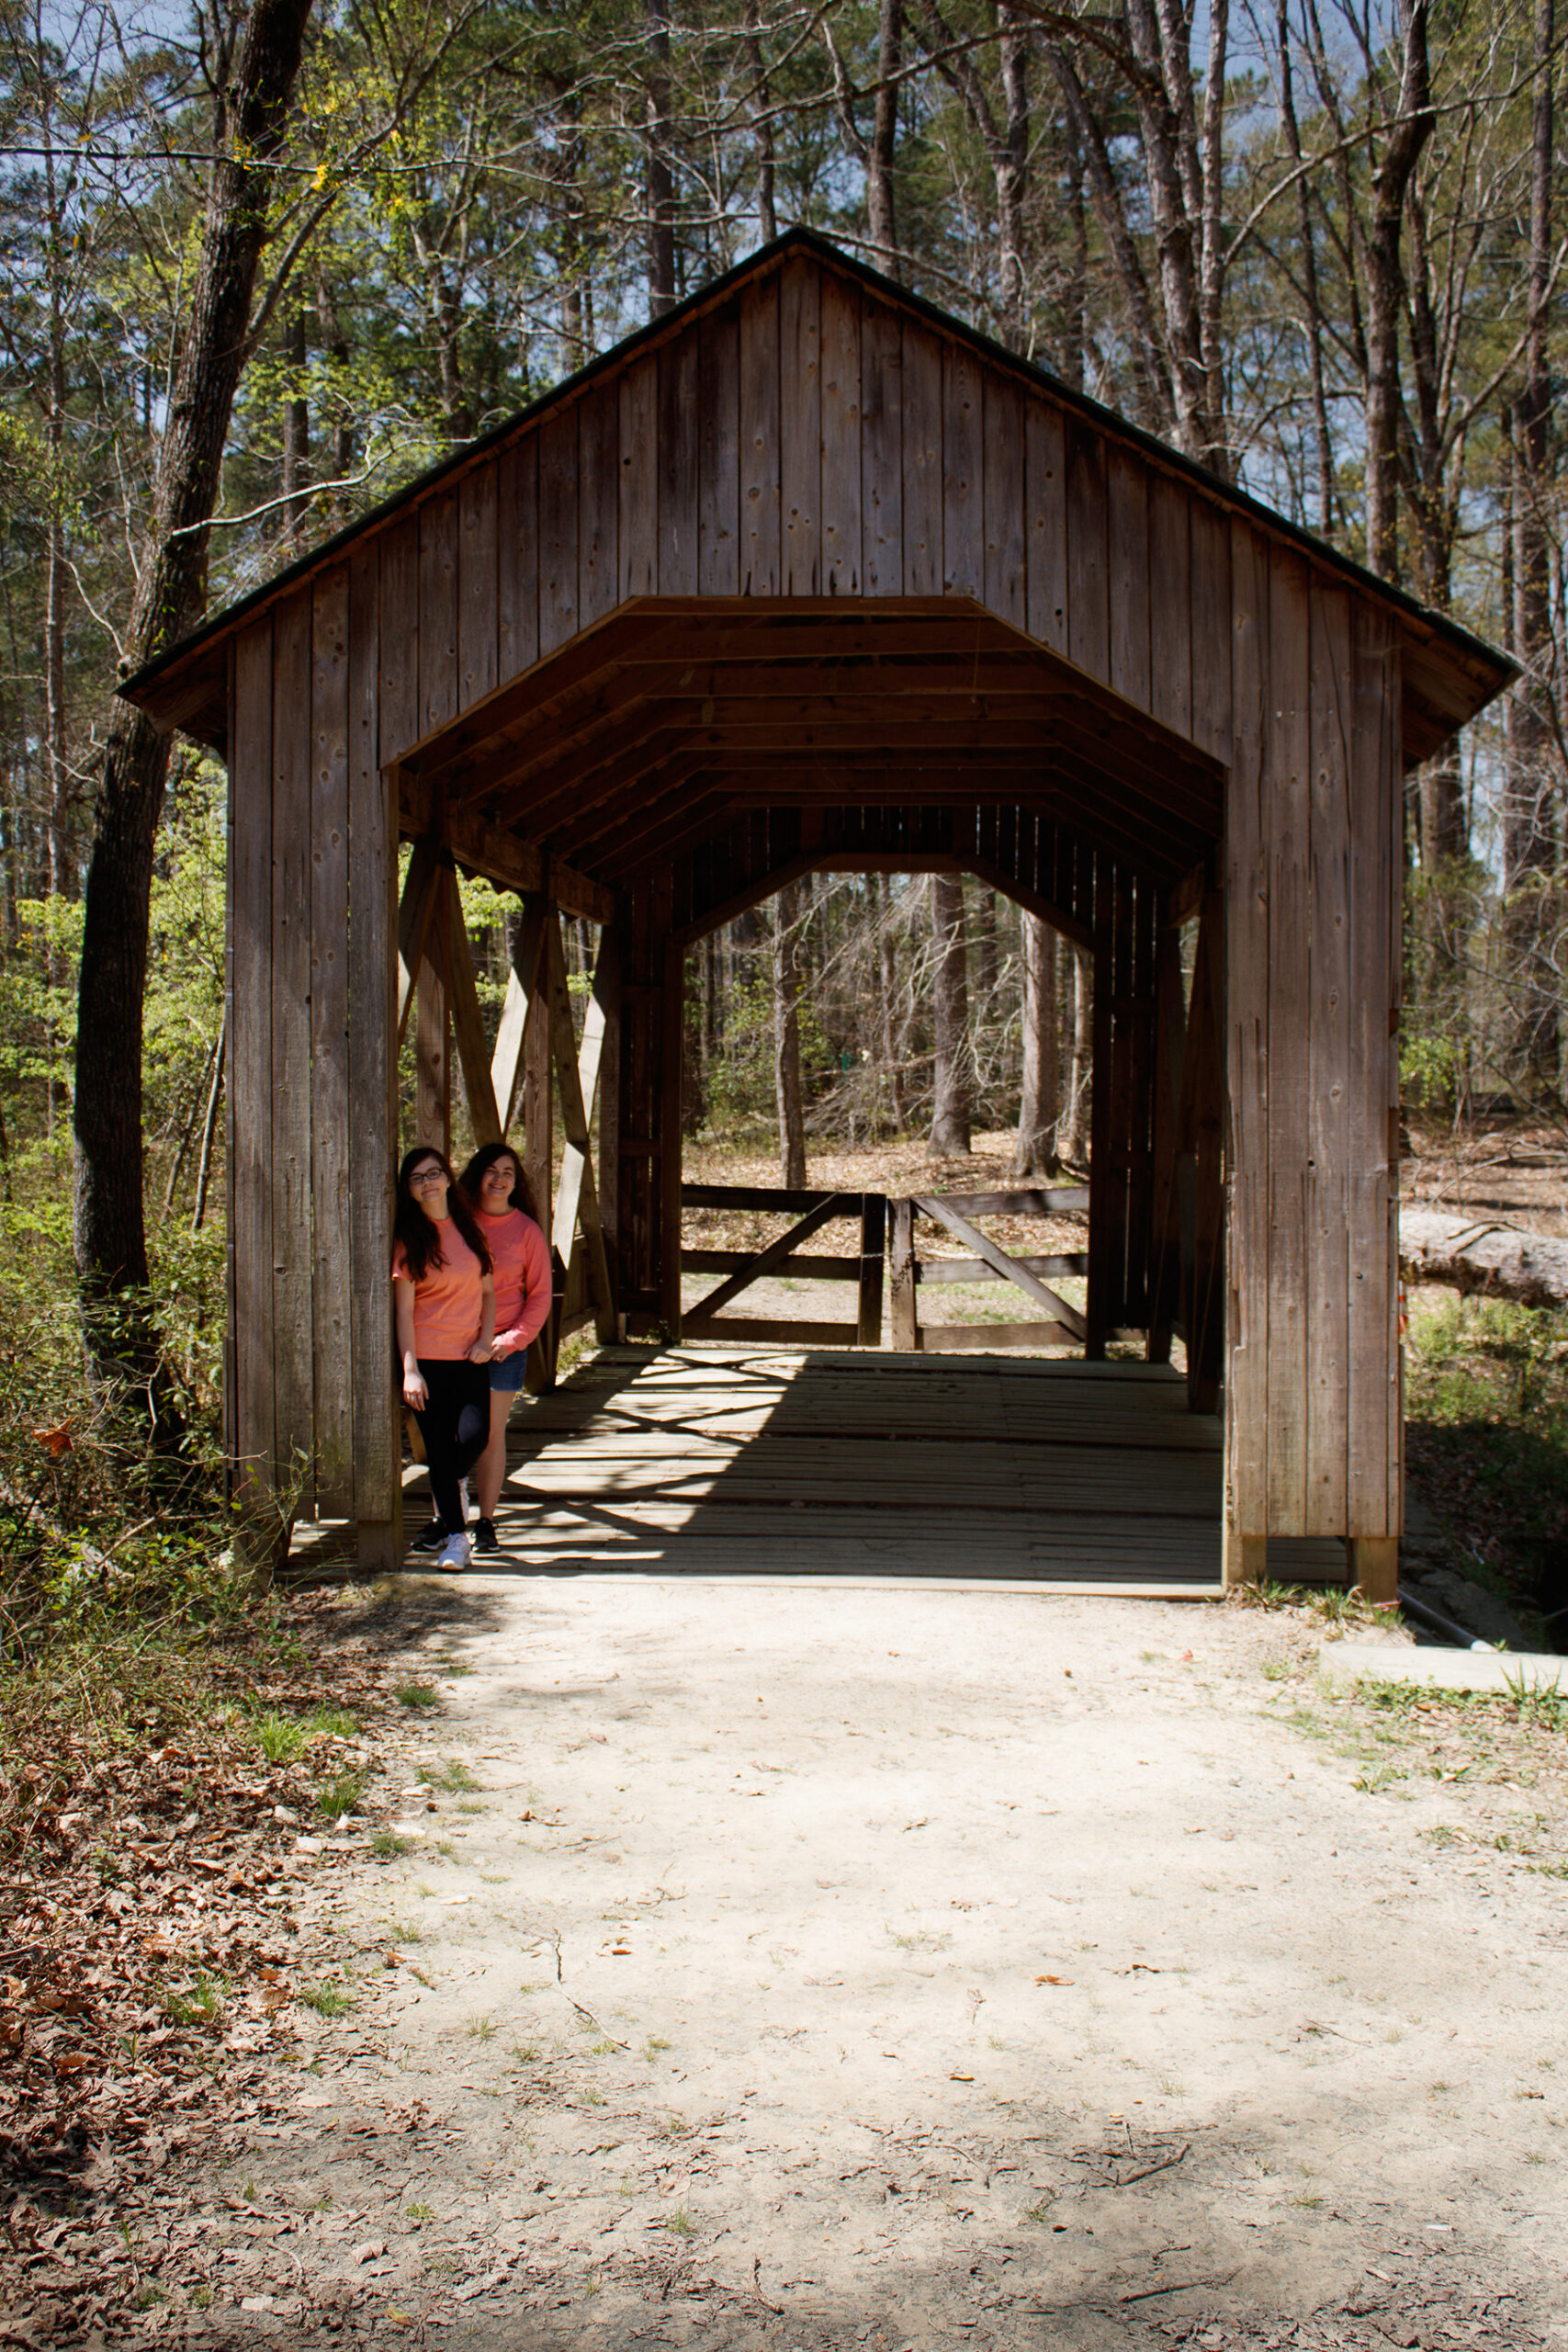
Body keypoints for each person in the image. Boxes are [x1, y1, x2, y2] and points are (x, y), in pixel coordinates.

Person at [392, 1147, 495, 1571]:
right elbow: (403, 1311)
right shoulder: (409, 1242)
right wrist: (410, 1369)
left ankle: (452, 1489)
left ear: (448, 1180)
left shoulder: (471, 1231)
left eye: (434, 1173)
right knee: (437, 1448)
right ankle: (456, 1539)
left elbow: (488, 1293)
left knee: (475, 1438)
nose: (428, 1182)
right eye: (417, 1178)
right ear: (411, 1192)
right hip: (430, 1362)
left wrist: (487, 1339)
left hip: (470, 1358)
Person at [458, 1139, 553, 1553]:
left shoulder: (526, 1231)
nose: (499, 1179)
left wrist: (510, 1341)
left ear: (517, 1183)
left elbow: (540, 1296)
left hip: (503, 1349)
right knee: (453, 1435)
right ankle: (447, 1519)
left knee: (491, 1436)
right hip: (454, 1344)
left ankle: (486, 1522)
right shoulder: (458, 1223)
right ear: (478, 1175)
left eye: (508, 1173)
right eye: (491, 1170)